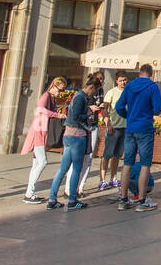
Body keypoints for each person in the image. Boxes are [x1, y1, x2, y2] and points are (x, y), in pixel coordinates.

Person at [47, 76, 101, 210]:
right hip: (77, 135)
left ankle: (52, 198)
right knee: (76, 168)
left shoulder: (77, 96)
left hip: (69, 135)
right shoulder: (80, 97)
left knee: (63, 168)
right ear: (91, 88)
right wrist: (90, 111)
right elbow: (76, 116)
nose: (93, 94)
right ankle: (72, 199)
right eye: (94, 91)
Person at [116, 63, 161, 211]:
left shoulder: (129, 86)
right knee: (145, 163)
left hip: (130, 128)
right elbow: (157, 109)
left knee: (127, 163)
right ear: (151, 73)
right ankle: (142, 201)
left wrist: (128, 116)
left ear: (139, 73)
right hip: (145, 128)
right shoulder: (152, 87)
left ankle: (123, 199)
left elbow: (118, 107)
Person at [20, 77, 65, 203]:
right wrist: (57, 115)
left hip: (41, 131)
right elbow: (41, 110)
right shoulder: (45, 96)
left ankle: (30, 193)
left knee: (36, 163)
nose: (60, 93)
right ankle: (29, 194)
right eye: (60, 90)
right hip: (39, 131)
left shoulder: (51, 98)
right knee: (43, 162)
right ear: (54, 86)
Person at [77, 71, 105, 197]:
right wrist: (91, 108)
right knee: (78, 158)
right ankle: (73, 186)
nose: (101, 83)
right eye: (99, 80)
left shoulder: (100, 92)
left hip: (93, 124)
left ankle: (81, 186)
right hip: (84, 126)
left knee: (89, 157)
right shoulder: (83, 95)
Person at [99, 73, 128, 191]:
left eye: (125, 80)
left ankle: (113, 177)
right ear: (116, 81)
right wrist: (108, 123)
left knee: (117, 155)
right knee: (107, 154)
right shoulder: (111, 92)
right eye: (121, 80)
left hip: (125, 127)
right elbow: (105, 110)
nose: (123, 82)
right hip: (114, 127)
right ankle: (102, 179)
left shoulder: (128, 93)